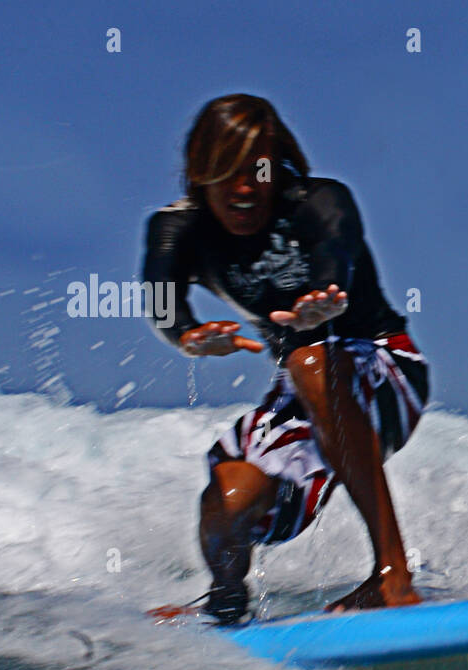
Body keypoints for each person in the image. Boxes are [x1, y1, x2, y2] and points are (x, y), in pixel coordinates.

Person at [142, 94, 429, 623]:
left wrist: (323, 296)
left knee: (311, 361)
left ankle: (393, 575)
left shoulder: (318, 201)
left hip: (385, 370)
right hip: (301, 398)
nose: (245, 187)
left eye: (258, 170)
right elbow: (163, 302)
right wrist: (188, 335)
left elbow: (336, 248)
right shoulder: (179, 230)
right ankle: (226, 602)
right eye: (228, 171)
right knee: (230, 496)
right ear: (200, 172)